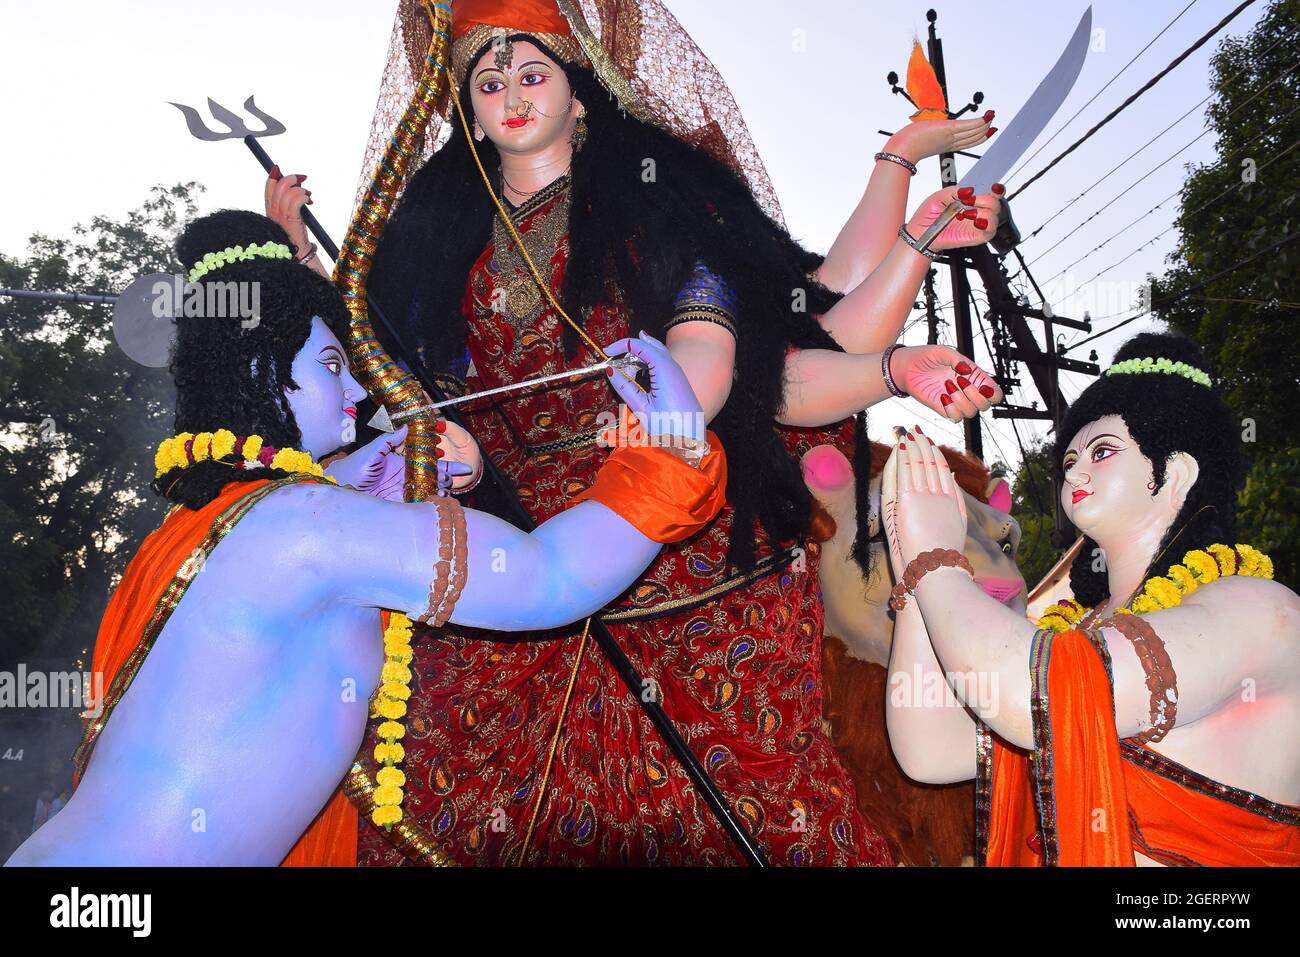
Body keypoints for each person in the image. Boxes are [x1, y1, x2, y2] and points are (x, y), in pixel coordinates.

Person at [267, 0, 1004, 865]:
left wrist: (674, 406)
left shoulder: (658, 209)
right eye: (490, 81)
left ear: (580, 92)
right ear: (464, 112)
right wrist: (317, 279)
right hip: (513, 555)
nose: (511, 95)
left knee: (749, 800)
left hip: (669, 532)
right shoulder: (437, 254)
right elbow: (381, 377)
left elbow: (739, 357)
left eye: (533, 73)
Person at [4, 210, 727, 866]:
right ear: (261, 367)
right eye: (330, 365)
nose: (355, 394)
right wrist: (672, 449)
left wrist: (374, 481)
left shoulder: (202, 527)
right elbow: (548, 577)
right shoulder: (307, 525)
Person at [882, 331, 1300, 866]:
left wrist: (937, 561)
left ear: (1176, 473)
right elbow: (932, 751)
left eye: (1102, 452)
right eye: (1070, 459)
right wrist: (914, 578)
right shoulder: (1070, 630)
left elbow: (1047, 698)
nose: (1074, 472)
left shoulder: (1260, 610)